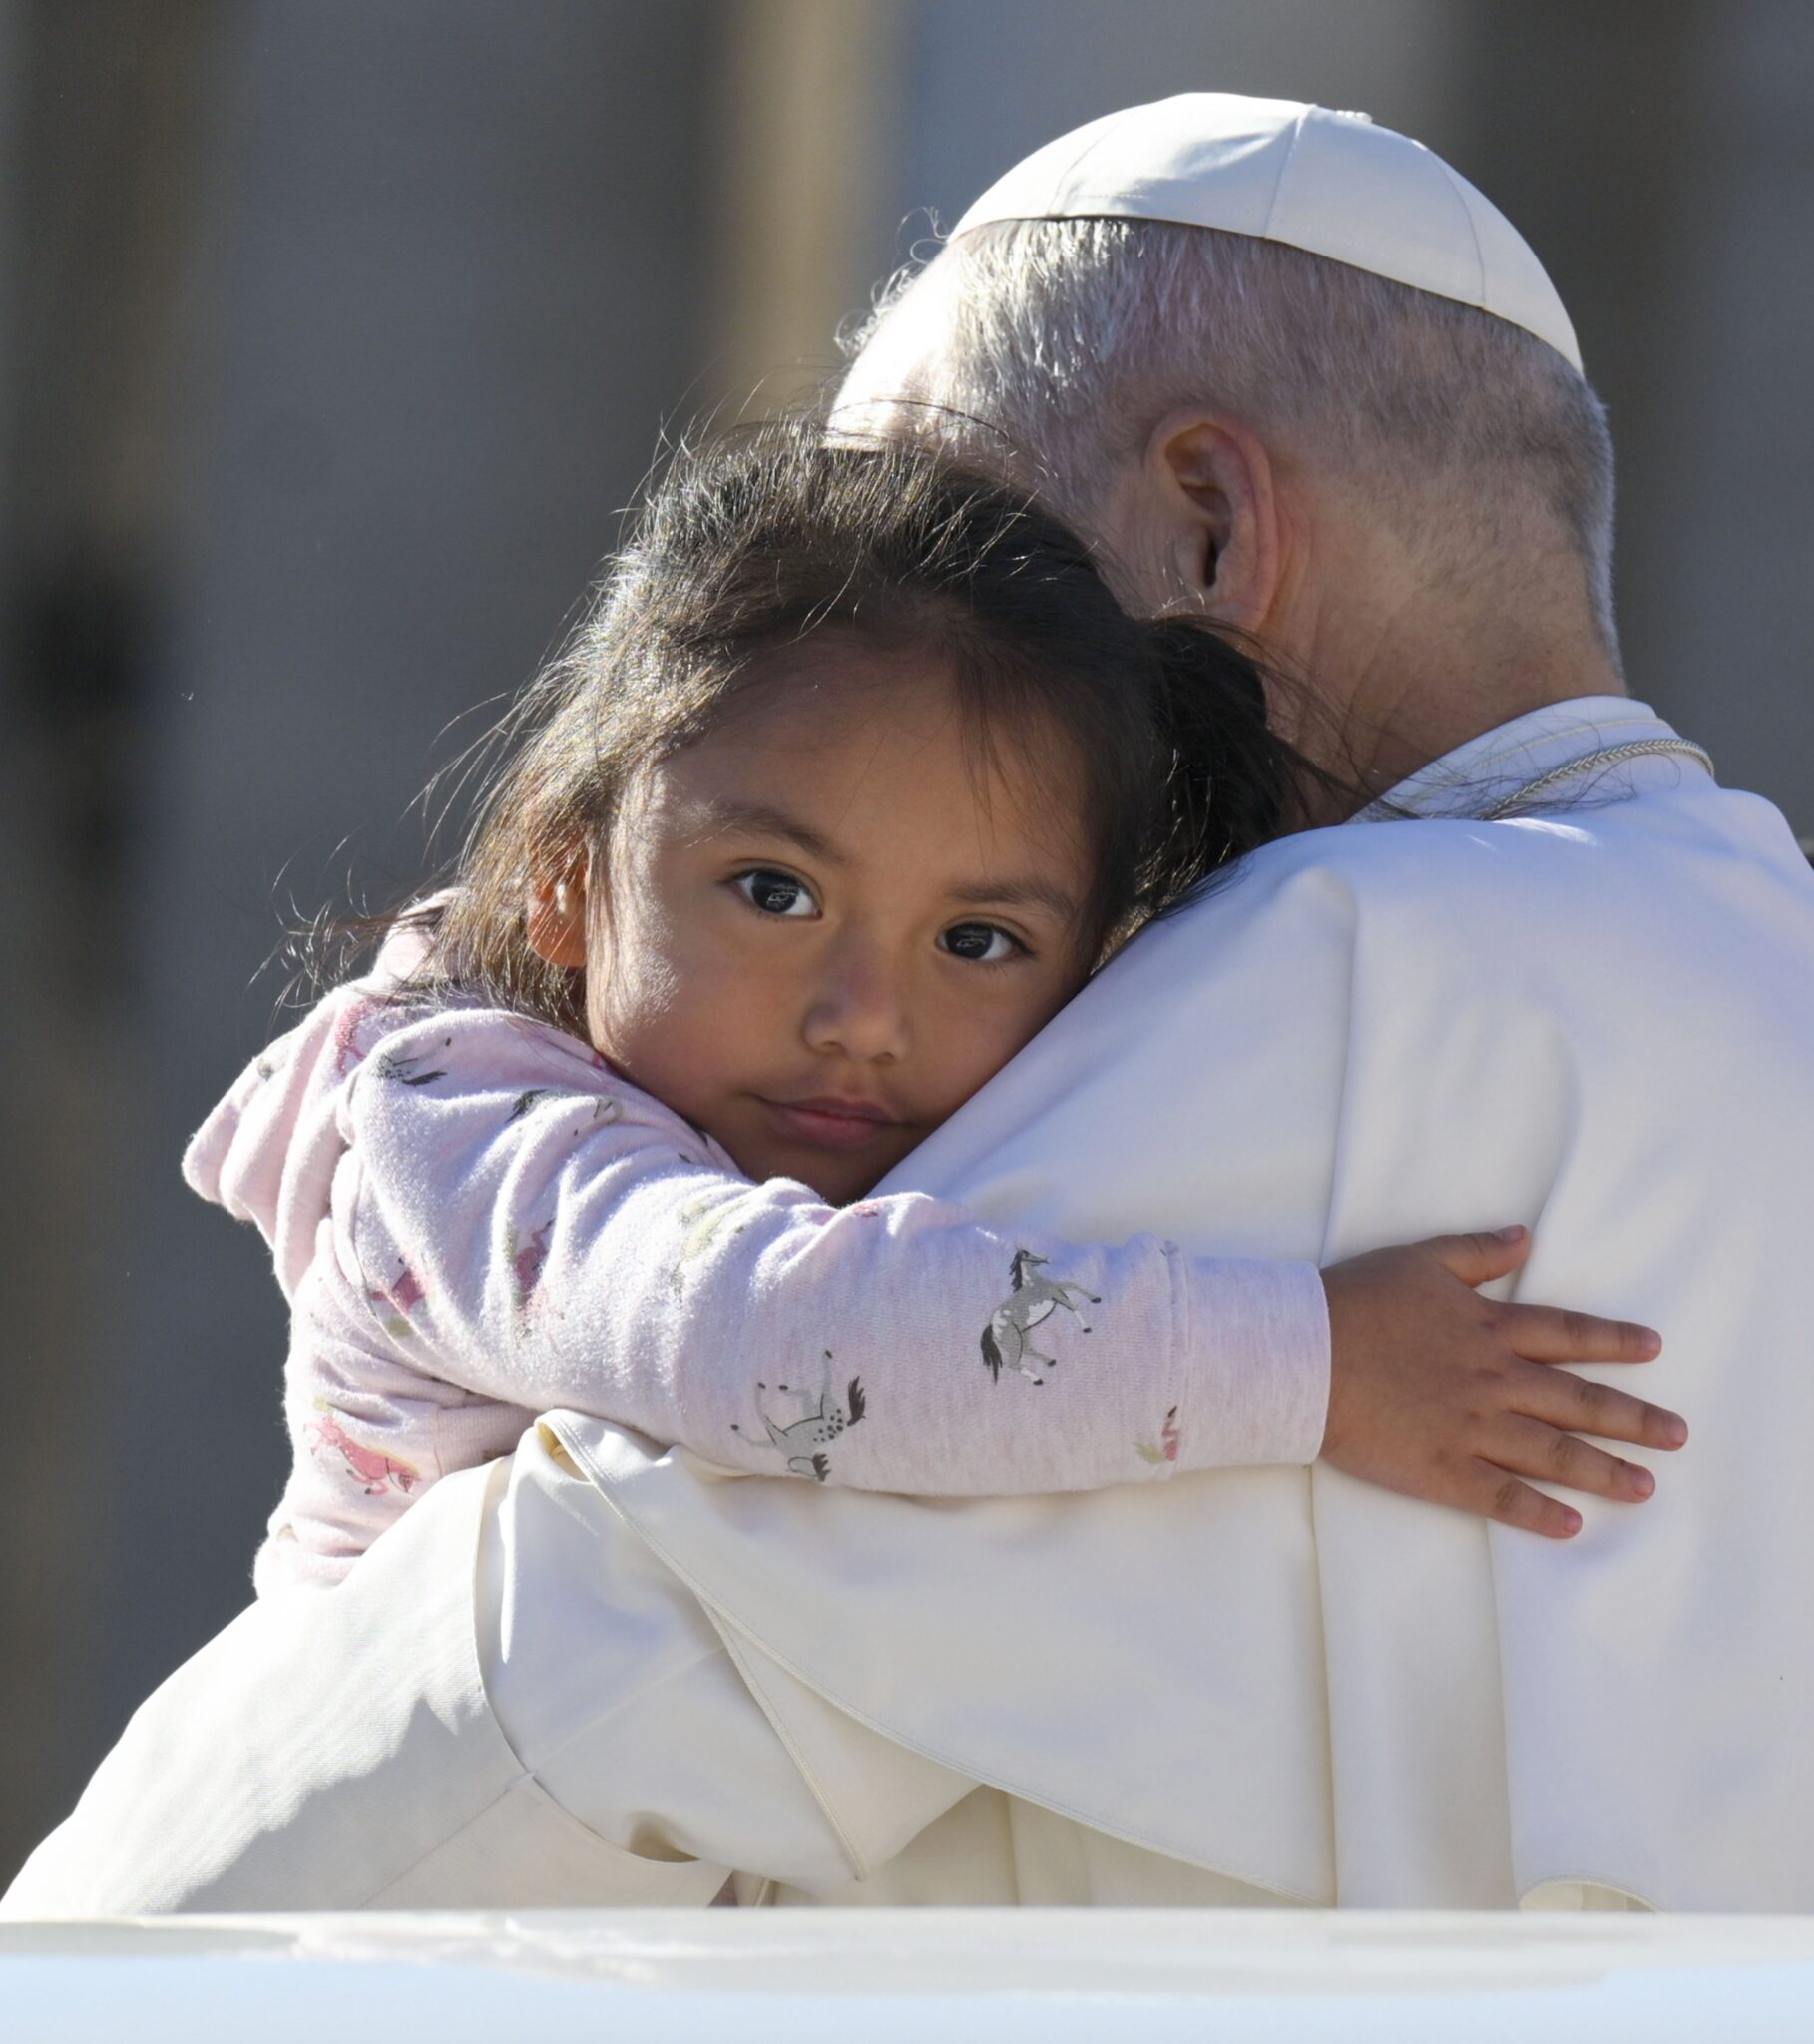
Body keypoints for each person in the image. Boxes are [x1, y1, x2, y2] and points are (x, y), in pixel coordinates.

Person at [9, 94, 1814, 1918]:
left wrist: (99, 1974)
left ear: (1203, 528)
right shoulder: (1762, 958)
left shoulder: (1345, 968)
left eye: (959, 549)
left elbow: (596, 1673)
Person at [191, 422, 1664, 1596]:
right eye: (773, 892)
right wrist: (1316, 1362)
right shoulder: (459, 1128)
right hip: (381, 1929)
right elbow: (762, 1335)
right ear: (569, 884)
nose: (862, 1015)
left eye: (975, 939)